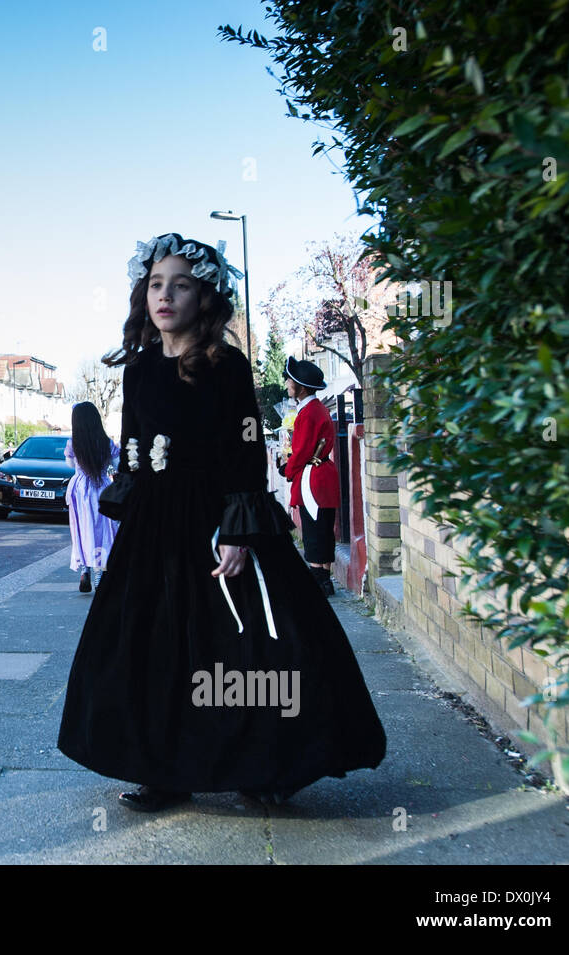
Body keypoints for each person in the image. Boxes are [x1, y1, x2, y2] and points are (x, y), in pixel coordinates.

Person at [56, 232, 386, 813]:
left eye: (180, 284)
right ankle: (162, 770)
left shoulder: (224, 364)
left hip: (213, 519)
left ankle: (264, 765)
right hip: (155, 525)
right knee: (153, 647)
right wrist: (127, 520)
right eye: (156, 284)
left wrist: (237, 529)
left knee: (246, 646)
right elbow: (132, 448)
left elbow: (244, 452)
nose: (166, 295)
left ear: (202, 295)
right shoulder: (136, 371)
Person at [282, 356, 341, 596]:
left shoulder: (308, 413)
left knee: (315, 529)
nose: (286, 383)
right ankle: (324, 579)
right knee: (325, 528)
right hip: (323, 473)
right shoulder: (318, 409)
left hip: (312, 478)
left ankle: (320, 582)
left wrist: (287, 470)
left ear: (301, 387)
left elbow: (303, 451)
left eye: (289, 380)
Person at [65, 401, 120, 593]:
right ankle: (99, 572)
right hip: (101, 487)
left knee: (82, 530)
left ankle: (84, 569)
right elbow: (117, 463)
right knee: (102, 530)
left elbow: (70, 465)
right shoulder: (106, 442)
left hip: (80, 490)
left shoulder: (73, 443)